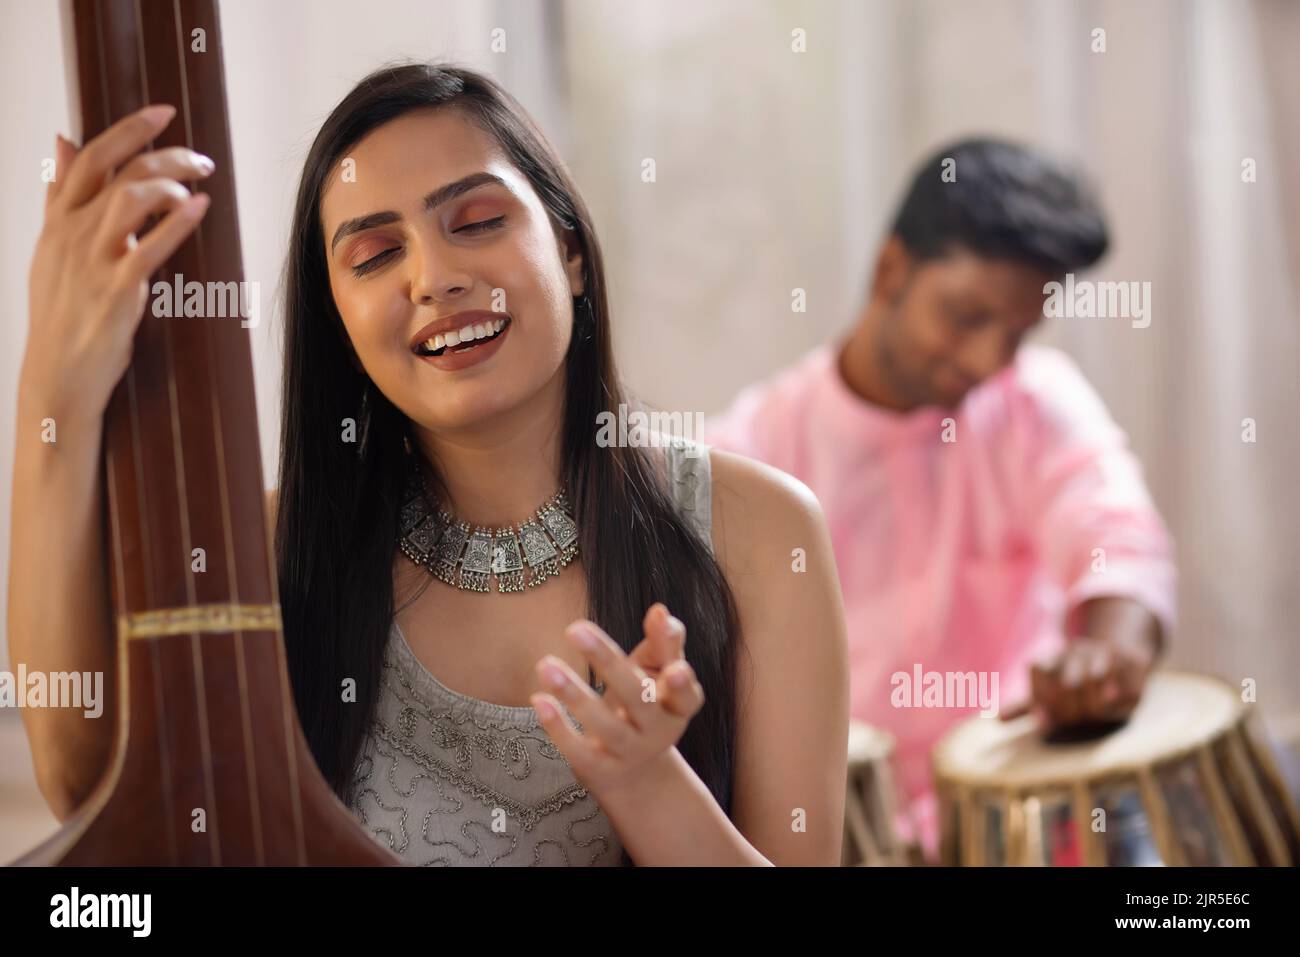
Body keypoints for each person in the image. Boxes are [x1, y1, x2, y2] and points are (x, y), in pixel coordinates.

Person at [10, 63, 849, 866]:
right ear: (337, 319)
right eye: (374, 255)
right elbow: (87, 785)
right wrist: (56, 385)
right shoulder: (268, 550)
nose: (435, 276)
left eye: (478, 221)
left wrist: (649, 786)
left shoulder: (764, 533)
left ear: (571, 251)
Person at [704, 138, 1176, 858]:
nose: (988, 360)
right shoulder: (752, 451)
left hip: (1041, 811)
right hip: (852, 834)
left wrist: (1106, 655)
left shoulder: (1035, 402)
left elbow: (1119, 539)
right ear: (891, 269)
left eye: (1017, 333)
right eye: (965, 316)